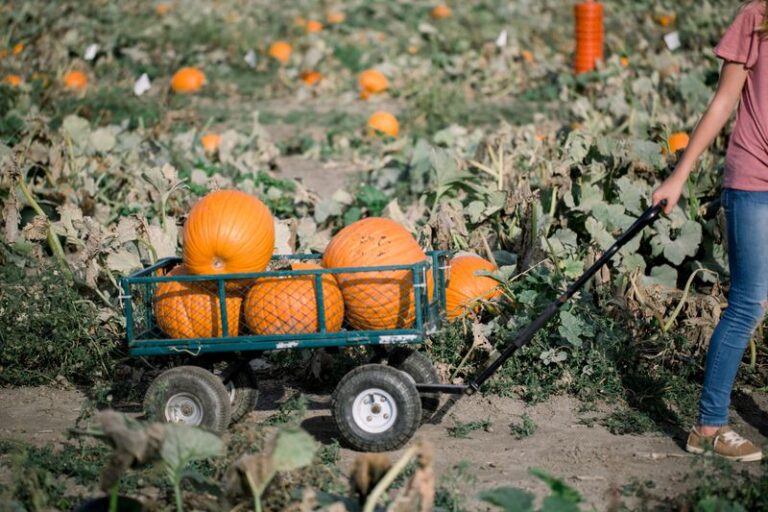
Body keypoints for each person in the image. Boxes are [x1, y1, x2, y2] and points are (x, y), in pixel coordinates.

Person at [652, 0, 768, 462]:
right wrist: (679, 176)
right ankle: (709, 427)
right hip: (754, 180)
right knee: (749, 302)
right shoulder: (756, 16)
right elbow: (724, 100)